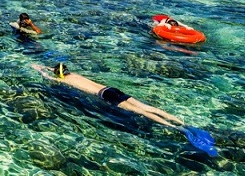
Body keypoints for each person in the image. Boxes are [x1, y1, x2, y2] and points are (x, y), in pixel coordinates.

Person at [32, 63, 218, 156]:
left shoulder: (63, 80)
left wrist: (39, 69)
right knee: (148, 107)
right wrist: (50, 67)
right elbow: (58, 70)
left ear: (58, 74)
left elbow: (48, 75)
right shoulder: (74, 74)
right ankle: (182, 122)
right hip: (111, 90)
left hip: (106, 97)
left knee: (143, 113)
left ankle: (180, 129)